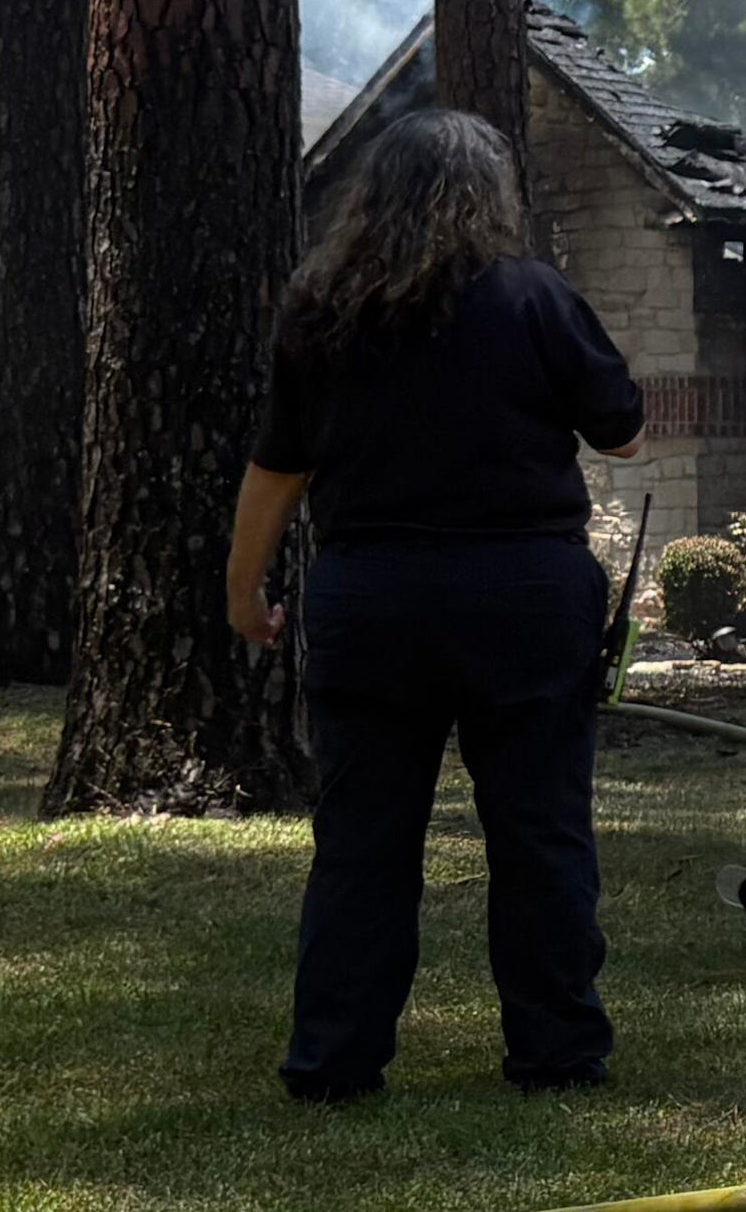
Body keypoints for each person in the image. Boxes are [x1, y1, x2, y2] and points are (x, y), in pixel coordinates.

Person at [224, 106, 645, 1102]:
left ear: (373, 195)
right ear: (490, 195)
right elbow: (621, 433)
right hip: (525, 595)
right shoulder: (536, 297)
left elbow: (277, 468)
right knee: (540, 831)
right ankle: (557, 1050)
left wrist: (246, 589)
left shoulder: (321, 306)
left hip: (376, 595)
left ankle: (333, 1058)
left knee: (363, 839)